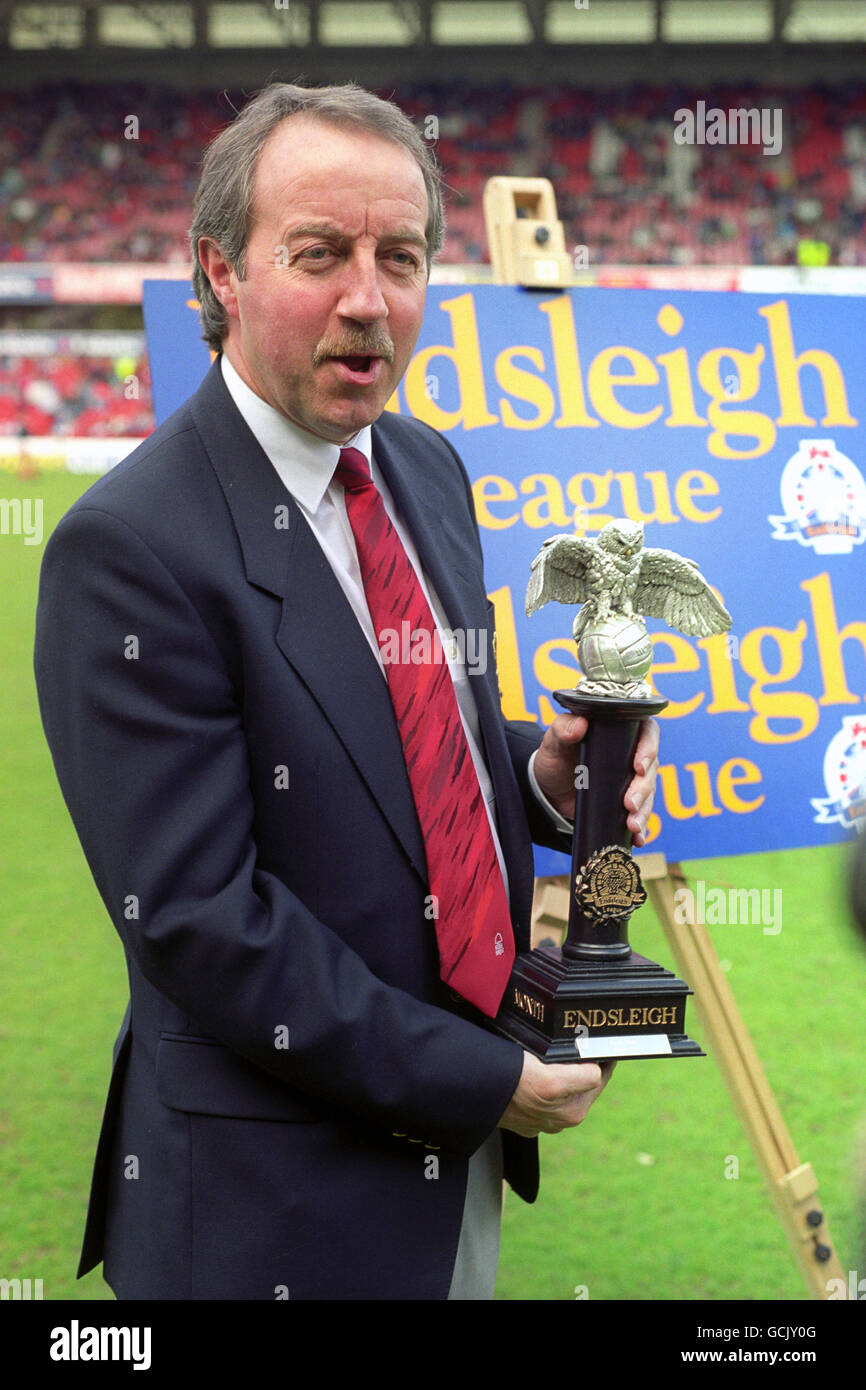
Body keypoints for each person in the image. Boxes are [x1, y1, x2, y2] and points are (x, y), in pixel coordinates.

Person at [34, 81, 659, 1301]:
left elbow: (420, 743)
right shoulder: (132, 547)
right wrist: (481, 1079)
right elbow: (198, 920)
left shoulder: (423, 468)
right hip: (271, 1206)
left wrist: (536, 776)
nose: (367, 300)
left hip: (459, 1161)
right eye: (317, 254)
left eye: (401, 257)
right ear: (219, 272)